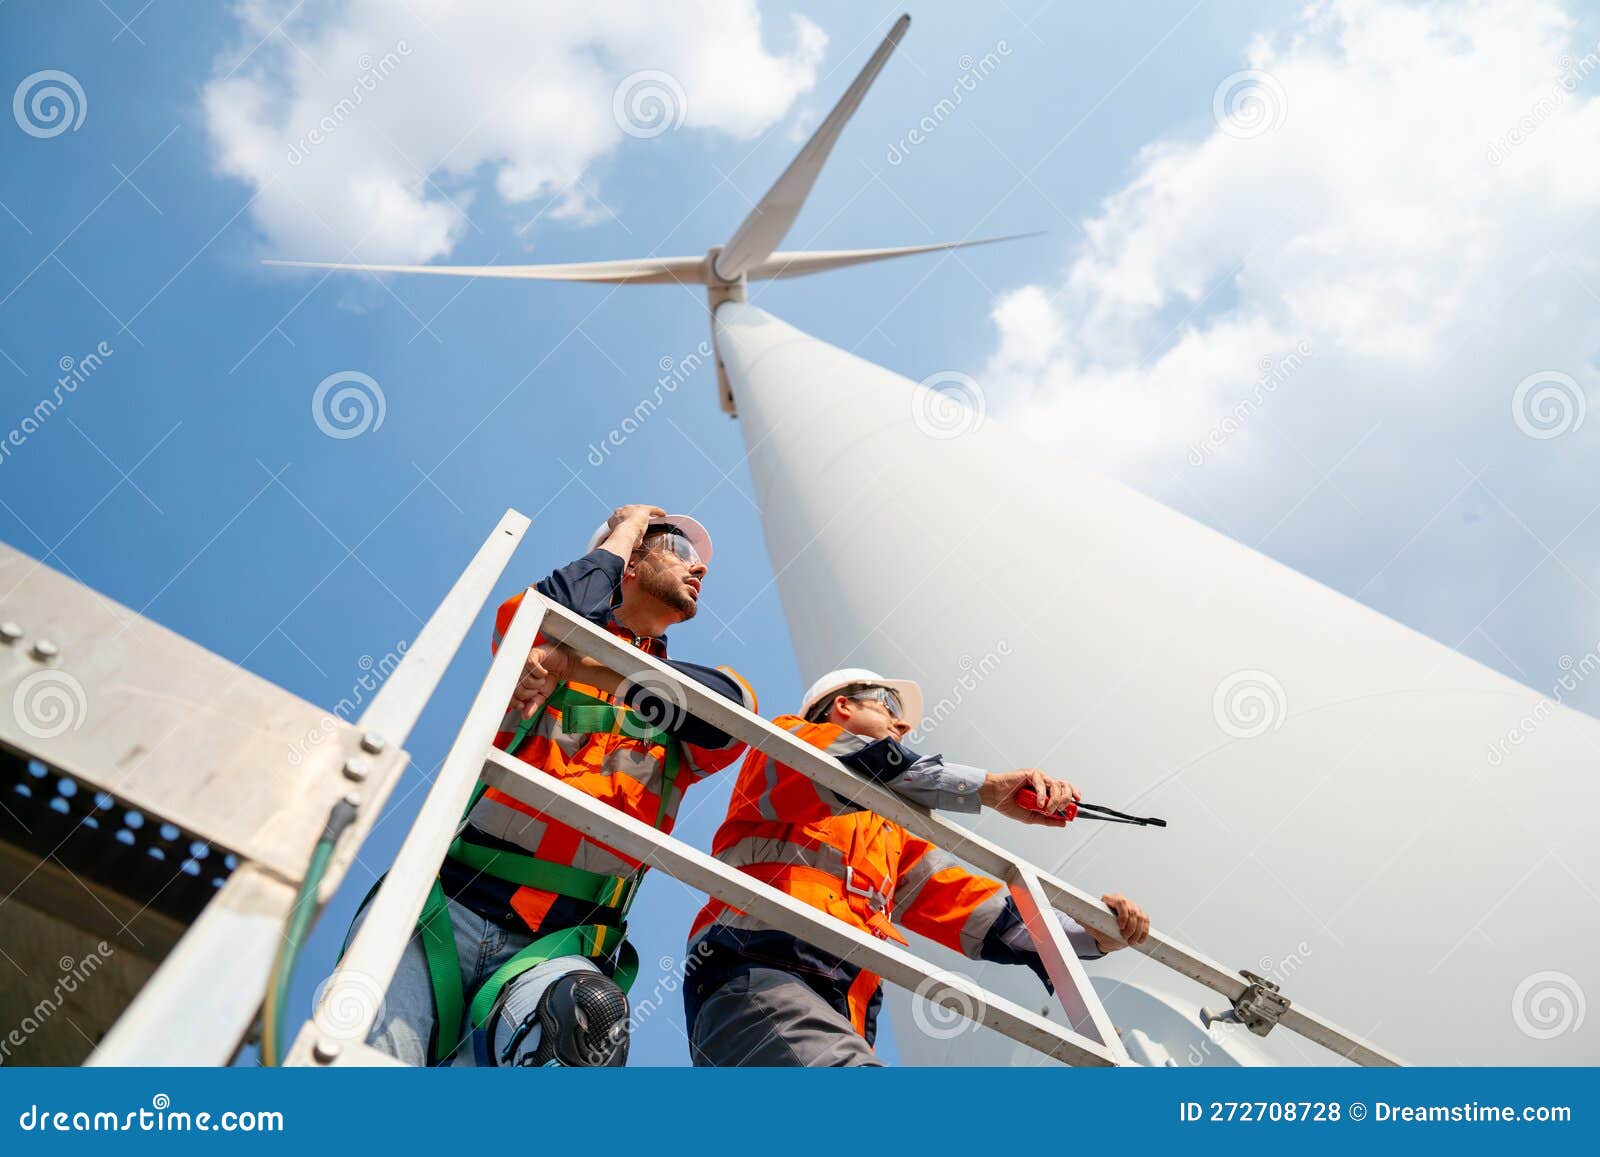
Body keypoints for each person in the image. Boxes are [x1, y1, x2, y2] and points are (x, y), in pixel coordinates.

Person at [351, 504, 756, 1067]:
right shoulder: (537, 633)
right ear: (629, 566)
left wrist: (578, 668)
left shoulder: (673, 698)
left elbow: (729, 714)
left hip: (558, 944)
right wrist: (628, 528)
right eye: (678, 549)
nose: (700, 569)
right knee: (364, 1055)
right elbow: (540, 615)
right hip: (441, 912)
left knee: (586, 1024)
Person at [683, 667, 1149, 1066]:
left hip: (842, 1010)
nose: (902, 724)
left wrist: (1092, 935)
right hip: (756, 977)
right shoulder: (788, 742)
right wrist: (988, 789)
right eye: (887, 703)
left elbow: (985, 917)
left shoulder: (889, 835)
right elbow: (867, 764)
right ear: (841, 707)